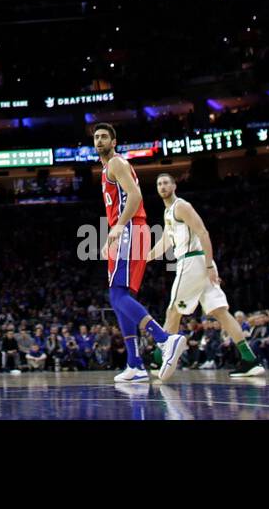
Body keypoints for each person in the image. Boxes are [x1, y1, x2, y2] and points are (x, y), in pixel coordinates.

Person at [149, 173, 265, 377]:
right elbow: (166, 242)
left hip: (193, 261)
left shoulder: (181, 206)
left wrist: (210, 266)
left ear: (174, 186)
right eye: (159, 184)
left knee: (173, 311)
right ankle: (249, 360)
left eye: (166, 182)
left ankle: (160, 358)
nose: (162, 186)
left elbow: (203, 233)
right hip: (200, 263)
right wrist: (145, 258)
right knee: (220, 312)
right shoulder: (168, 213)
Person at [92, 124, 184, 382]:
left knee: (118, 296)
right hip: (127, 229)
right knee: (121, 298)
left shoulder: (117, 163)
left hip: (131, 228)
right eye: (96, 137)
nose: (99, 141)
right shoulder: (107, 169)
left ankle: (165, 340)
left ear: (114, 141)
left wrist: (119, 226)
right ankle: (135, 364)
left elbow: (135, 196)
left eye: (104, 137)